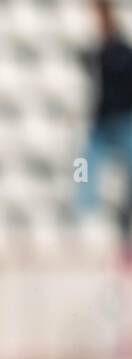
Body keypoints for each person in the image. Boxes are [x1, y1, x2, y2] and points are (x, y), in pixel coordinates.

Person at [78, 0, 132, 253]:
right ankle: (85, 210)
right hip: (104, 120)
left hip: (122, 119)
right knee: (86, 163)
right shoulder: (100, 52)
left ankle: (120, 216)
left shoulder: (120, 51)